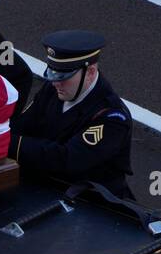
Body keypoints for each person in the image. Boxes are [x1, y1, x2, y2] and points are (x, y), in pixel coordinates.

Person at [9, 31, 135, 198]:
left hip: (94, 202)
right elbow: (24, 124)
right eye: (54, 74)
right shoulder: (54, 89)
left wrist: (6, 143)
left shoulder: (111, 117)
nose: (56, 82)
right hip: (49, 188)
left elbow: (68, 159)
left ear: (90, 72)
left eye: (64, 76)